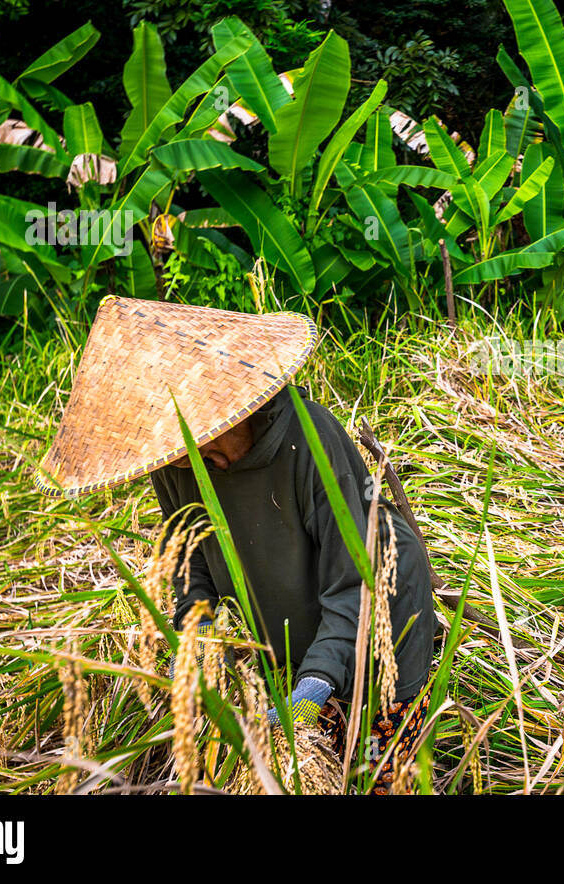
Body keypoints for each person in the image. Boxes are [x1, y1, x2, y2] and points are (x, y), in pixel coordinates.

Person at [38, 296, 436, 793]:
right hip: (286, 627)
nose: (192, 462)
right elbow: (190, 563)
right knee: (310, 766)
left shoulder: (310, 438)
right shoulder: (175, 461)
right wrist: (202, 645)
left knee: (377, 766)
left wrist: (311, 688)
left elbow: (353, 584)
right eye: (179, 455)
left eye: (198, 447)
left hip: (378, 613)